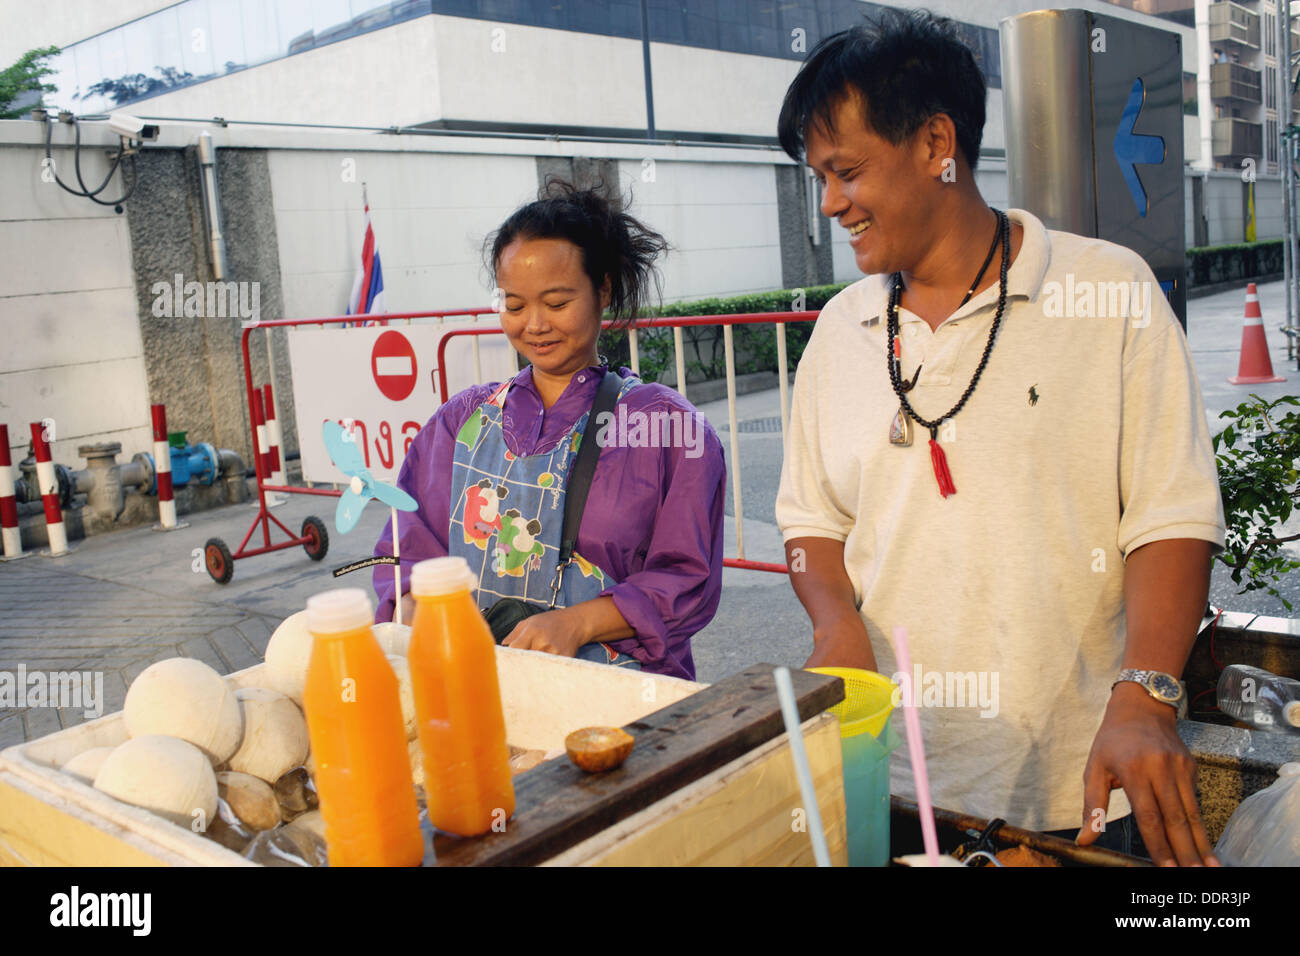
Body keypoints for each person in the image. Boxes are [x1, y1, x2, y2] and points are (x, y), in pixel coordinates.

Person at [773, 10, 1226, 865]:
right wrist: (834, 623)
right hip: (894, 778)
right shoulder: (841, 329)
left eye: (846, 172)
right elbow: (811, 520)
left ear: (937, 142)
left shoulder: (1109, 292)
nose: (830, 203)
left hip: (1079, 783)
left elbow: (1170, 513)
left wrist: (1146, 691)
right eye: (819, 179)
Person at [372, 179, 725, 680]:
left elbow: (687, 579)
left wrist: (578, 624)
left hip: (619, 697)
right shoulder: (462, 422)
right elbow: (402, 545)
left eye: (556, 303)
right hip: (478, 688)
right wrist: (417, 606)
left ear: (602, 289)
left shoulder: (667, 429)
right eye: (514, 306)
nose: (533, 325)